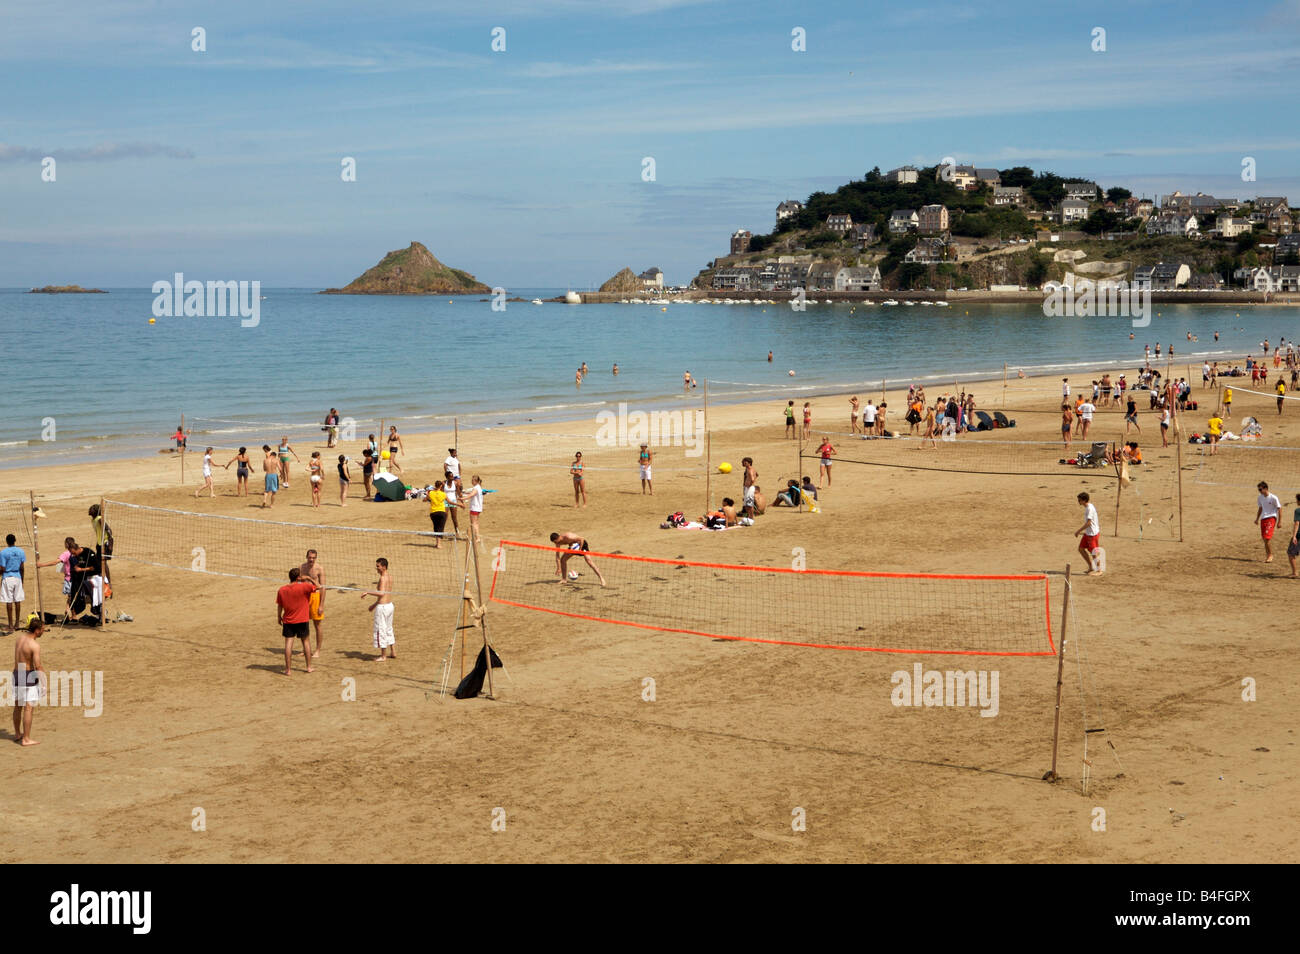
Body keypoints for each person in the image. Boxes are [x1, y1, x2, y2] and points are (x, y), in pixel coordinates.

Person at [276, 567, 316, 676]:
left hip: (288, 620)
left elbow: (280, 605)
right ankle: (308, 667)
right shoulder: (305, 586)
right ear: (299, 577)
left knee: (288, 644)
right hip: (302, 620)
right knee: (306, 642)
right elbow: (318, 587)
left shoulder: (282, 590)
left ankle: (288, 670)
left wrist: (279, 616)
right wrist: (308, 578)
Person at [12, 616, 45, 746]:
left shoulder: (19, 639)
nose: (43, 631)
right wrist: (43, 684)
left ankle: (17, 733)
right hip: (27, 675)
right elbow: (38, 666)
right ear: (37, 630)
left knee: (18, 706)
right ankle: (26, 738)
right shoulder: (34, 645)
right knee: (28, 708)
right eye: (42, 629)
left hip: (16, 673)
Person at [361, 558, 395, 661]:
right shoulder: (390, 577)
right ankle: (393, 651)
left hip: (383, 608)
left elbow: (381, 593)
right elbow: (384, 595)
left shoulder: (383, 578)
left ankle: (383, 656)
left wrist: (368, 592)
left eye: (378, 566)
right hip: (389, 606)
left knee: (381, 630)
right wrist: (374, 605)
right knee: (389, 629)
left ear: (384, 567)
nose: (376, 568)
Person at [299, 550, 326, 658]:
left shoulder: (319, 569)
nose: (311, 560)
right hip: (304, 597)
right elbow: (299, 582)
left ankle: (317, 650)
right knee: (303, 624)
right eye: (310, 557)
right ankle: (305, 649)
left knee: (317, 625)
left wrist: (321, 605)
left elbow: (323, 587)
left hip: (315, 596)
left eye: (314, 558)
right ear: (306, 557)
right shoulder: (301, 567)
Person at [1, 533, 26, 635]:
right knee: (17, 600)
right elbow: (22, 567)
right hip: (18, 577)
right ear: (15, 540)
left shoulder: (3, 553)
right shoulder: (21, 551)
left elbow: (2, 568)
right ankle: (17, 623)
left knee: (9, 601)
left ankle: (10, 625)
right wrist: (22, 580)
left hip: (7, 577)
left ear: (7, 542)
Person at [1074, 492, 1102, 575]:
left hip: (1092, 534)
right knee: (1081, 549)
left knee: (1093, 552)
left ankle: (1099, 570)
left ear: (1084, 500)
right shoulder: (1088, 507)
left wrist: (1079, 531)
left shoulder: (1089, 509)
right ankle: (1091, 567)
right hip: (1088, 533)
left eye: (1079, 500)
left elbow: (1089, 523)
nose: (1078, 501)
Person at [88, 503, 113, 588]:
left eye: (91, 509)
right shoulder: (93, 519)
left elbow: (109, 530)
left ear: (95, 511)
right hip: (99, 543)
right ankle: (101, 580)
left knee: (103, 563)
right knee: (98, 562)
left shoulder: (99, 519)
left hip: (105, 543)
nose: (89, 509)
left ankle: (109, 583)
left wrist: (110, 543)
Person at [1257, 482, 1282, 563]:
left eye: (1260, 489)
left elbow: (1279, 508)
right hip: (1263, 518)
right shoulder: (1260, 498)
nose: (1259, 491)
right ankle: (1268, 555)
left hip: (1271, 518)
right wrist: (1257, 519)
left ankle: (1270, 555)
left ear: (1266, 488)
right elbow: (1260, 508)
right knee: (1264, 538)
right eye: (1259, 489)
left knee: (1267, 538)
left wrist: (1279, 521)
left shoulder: (1273, 497)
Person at [463, 475, 485, 546]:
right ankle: (477, 537)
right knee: (476, 523)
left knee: (473, 523)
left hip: (474, 508)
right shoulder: (478, 487)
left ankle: (477, 538)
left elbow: (471, 495)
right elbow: (471, 494)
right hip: (478, 508)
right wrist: (464, 493)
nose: (471, 481)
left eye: (472, 480)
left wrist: (462, 499)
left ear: (476, 481)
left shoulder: (476, 488)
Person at [428, 480, 448, 545]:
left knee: (436, 527)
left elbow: (425, 499)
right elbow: (450, 502)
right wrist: (458, 504)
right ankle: (439, 544)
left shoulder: (431, 493)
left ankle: (437, 543)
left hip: (433, 512)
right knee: (440, 528)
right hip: (441, 512)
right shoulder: (443, 494)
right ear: (441, 486)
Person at [1288, 493, 1300, 579]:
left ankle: (1295, 573)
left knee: (1291, 553)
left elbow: (1297, 523)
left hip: (1299, 536)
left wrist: (1294, 536)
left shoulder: (1298, 511)